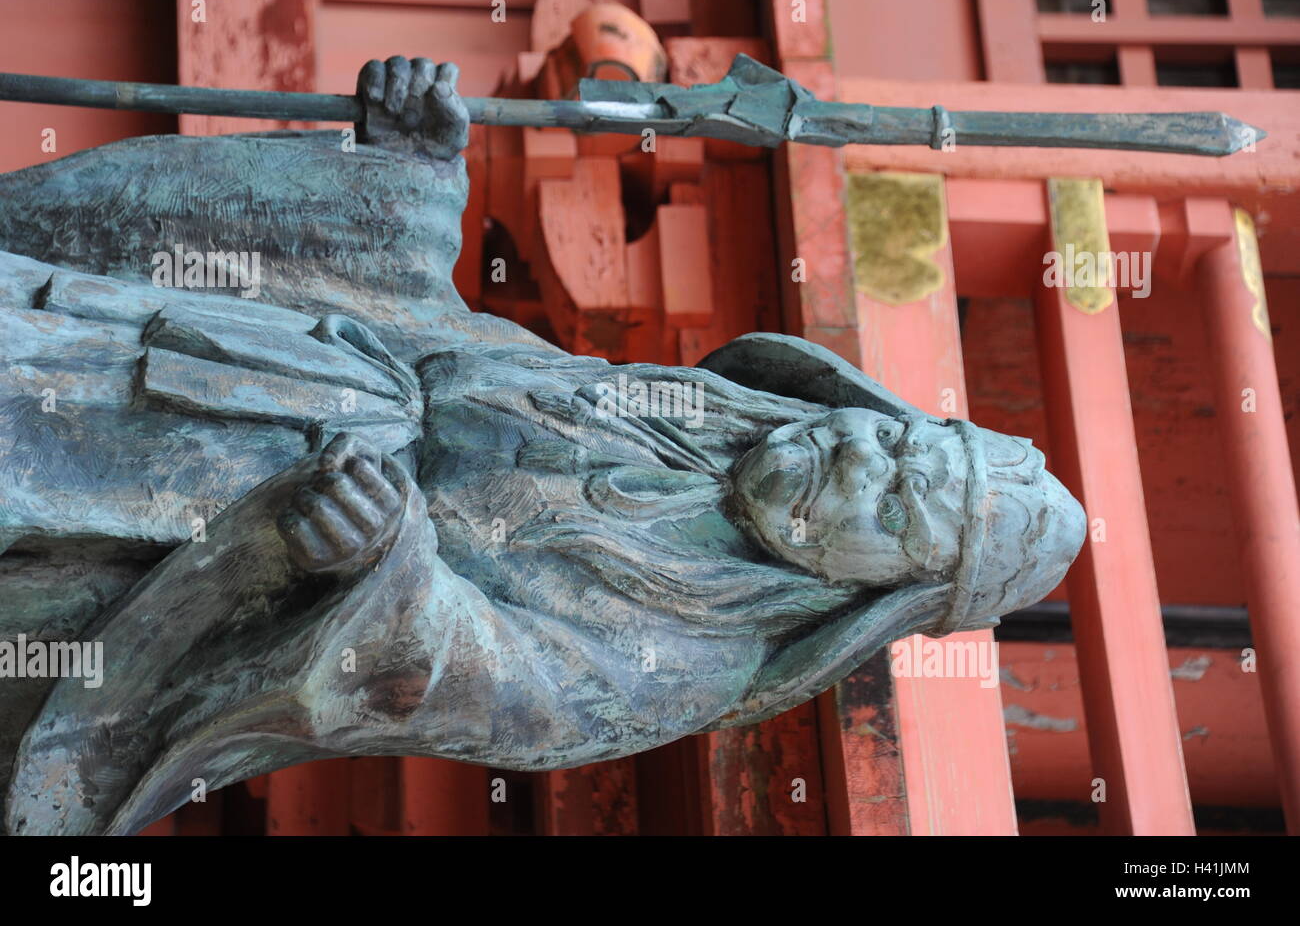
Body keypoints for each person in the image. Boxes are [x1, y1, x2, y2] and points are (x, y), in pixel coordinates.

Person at [0, 59, 1084, 835]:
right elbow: (445, 338)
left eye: (892, 509)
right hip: (193, 355)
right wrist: (411, 182)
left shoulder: (696, 661)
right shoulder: (692, 411)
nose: (857, 461)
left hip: (190, 532)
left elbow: (486, 679)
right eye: (893, 443)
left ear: (873, 594)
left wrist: (385, 557)